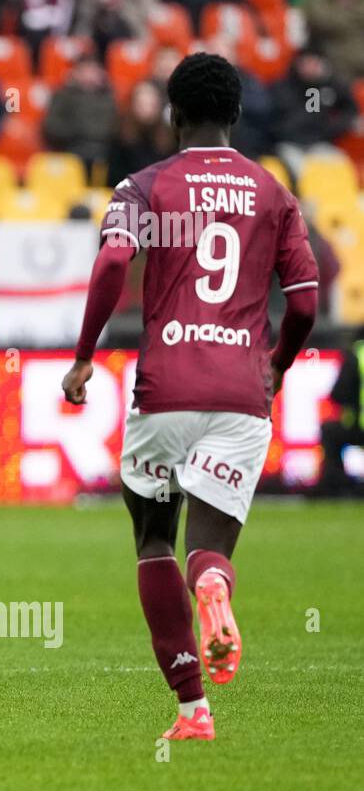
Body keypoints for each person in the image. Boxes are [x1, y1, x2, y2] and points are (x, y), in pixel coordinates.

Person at [61, 53, 319, 741]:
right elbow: (305, 300)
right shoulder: (273, 192)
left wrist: (85, 356)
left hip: (165, 389)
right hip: (240, 392)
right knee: (211, 550)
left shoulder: (143, 185)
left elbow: (114, 260)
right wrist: (278, 365)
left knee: (153, 542)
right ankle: (215, 586)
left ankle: (191, 710)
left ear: (172, 115)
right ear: (234, 115)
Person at [318, 329, 364, 497]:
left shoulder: (357, 355)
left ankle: (335, 486)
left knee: (330, 432)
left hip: (359, 427)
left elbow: (338, 394)